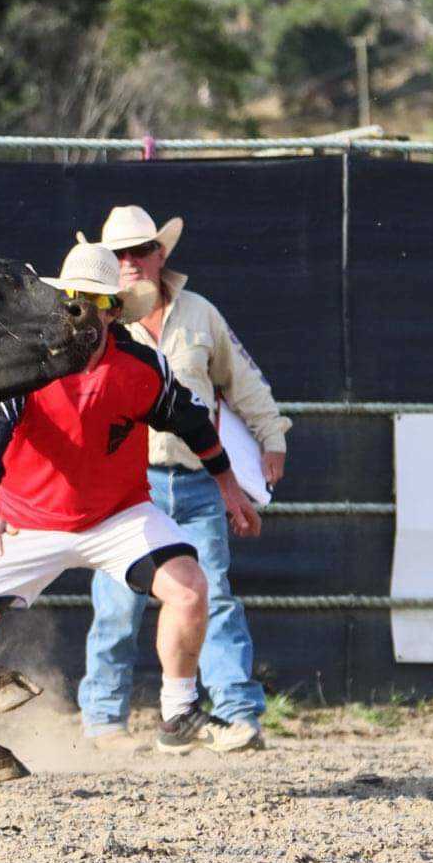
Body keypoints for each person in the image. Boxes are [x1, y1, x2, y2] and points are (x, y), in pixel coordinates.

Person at [0, 242, 261, 753]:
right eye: (72, 297)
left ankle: (178, 713)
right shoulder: (26, 365)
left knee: (191, 588)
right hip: (26, 519)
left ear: (115, 310)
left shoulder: (141, 366)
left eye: (97, 300)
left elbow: (191, 419)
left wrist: (226, 483)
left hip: (116, 515)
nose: (83, 309)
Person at [77, 205, 290, 753]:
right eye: (119, 256)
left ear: (159, 255)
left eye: (138, 252)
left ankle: (236, 714)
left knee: (211, 594)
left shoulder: (199, 315)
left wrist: (273, 435)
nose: (129, 264)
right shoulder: (97, 321)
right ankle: (104, 722)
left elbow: (241, 378)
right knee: (118, 603)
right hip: (128, 486)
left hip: (194, 480)